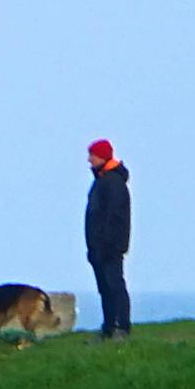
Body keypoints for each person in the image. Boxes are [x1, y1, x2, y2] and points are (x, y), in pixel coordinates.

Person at [82, 138, 135, 338]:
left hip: (110, 248)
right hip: (98, 249)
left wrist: (107, 246)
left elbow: (114, 218)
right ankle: (109, 327)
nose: (89, 160)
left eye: (92, 155)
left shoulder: (112, 182)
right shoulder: (101, 181)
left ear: (102, 156)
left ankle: (122, 326)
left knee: (115, 286)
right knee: (105, 288)